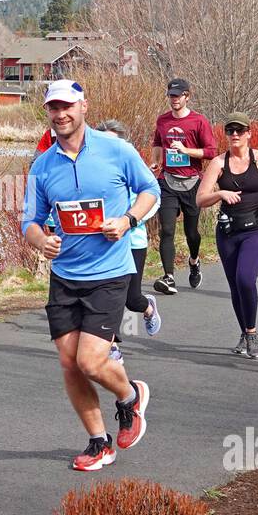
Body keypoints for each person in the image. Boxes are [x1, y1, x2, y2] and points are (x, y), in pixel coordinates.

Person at [22, 79, 160, 472]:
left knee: (91, 361)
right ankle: (99, 443)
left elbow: (150, 189)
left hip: (109, 273)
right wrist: (40, 242)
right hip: (65, 275)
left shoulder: (116, 149)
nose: (61, 114)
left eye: (67, 106)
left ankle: (130, 395)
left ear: (84, 106)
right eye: (53, 107)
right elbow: (30, 221)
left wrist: (128, 218)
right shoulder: (43, 165)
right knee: (69, 363)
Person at [197, 111, 258, 359]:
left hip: (257, 229)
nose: (235, 135)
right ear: (226, 134)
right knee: (236, 286)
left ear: (249, 133)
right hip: (228, 232)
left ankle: (251, 332)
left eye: (240, 130)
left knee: (245, 278)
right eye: (230, 131)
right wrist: (220, 194)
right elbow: (201, 199)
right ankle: (245, 331)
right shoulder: (218, 163)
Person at [95, 120, 163, 359]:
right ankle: (111, 345)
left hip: (133, 241)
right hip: (104, 243)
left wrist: (131, 220)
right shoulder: (92, 171)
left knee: (131, 300)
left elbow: (153, 200)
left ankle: (148, 308)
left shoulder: (132, 167)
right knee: (106, 295)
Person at [149, 78, 216, 294]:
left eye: (178, 95)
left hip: (192, 182)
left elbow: (210, 152)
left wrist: (187, 151)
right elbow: (158, 142)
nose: (174, 99)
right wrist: (156, 160)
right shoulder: (162, 120)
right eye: (171, 95)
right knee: (167, 230)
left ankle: (194, 261)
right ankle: (168, 277)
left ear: (187, 96)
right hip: (168, 181)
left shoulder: (199, 121)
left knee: (191, 233)